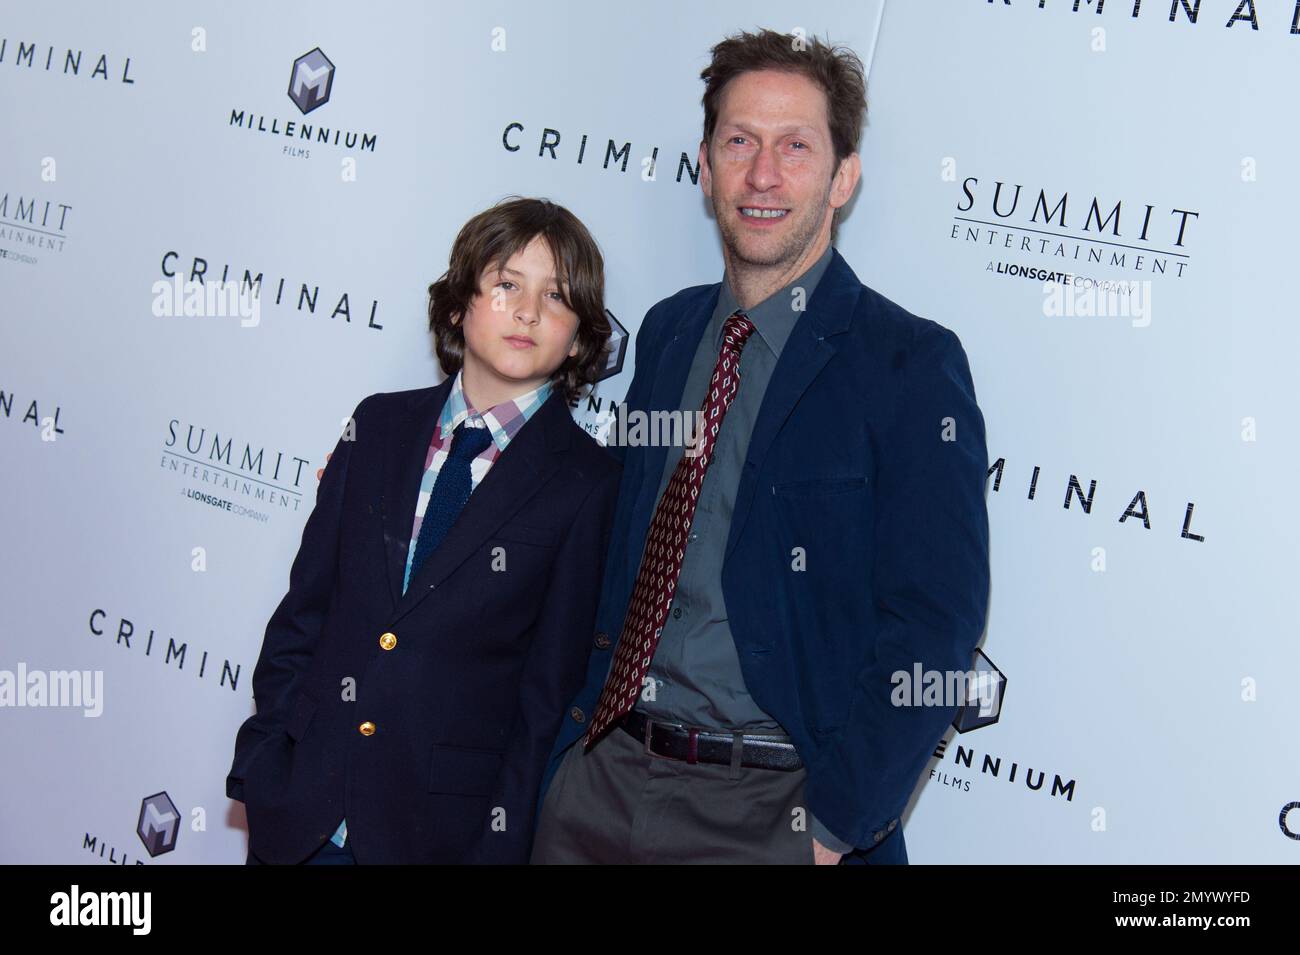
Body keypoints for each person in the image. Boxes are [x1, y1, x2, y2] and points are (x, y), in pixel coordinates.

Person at [530, 29, 991, 864]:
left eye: (796, 146)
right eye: (739, 141)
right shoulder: (670, 331)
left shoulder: (908, 366)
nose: (763, 174)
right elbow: (607, 532)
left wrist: (833, 830)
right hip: (598, 783)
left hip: (772, 812)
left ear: (843, 177)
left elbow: (935, 625)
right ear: (705, 166)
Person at [226, 196, 622, 864]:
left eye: (555, 297)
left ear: (580, 336)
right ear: (459, 306)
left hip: (436, 837)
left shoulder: (585, 482)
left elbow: (546, 697)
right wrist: (271, 759)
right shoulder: (378, 427)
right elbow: (305, 611)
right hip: (302, 814)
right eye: (505, 284)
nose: (527, 311)